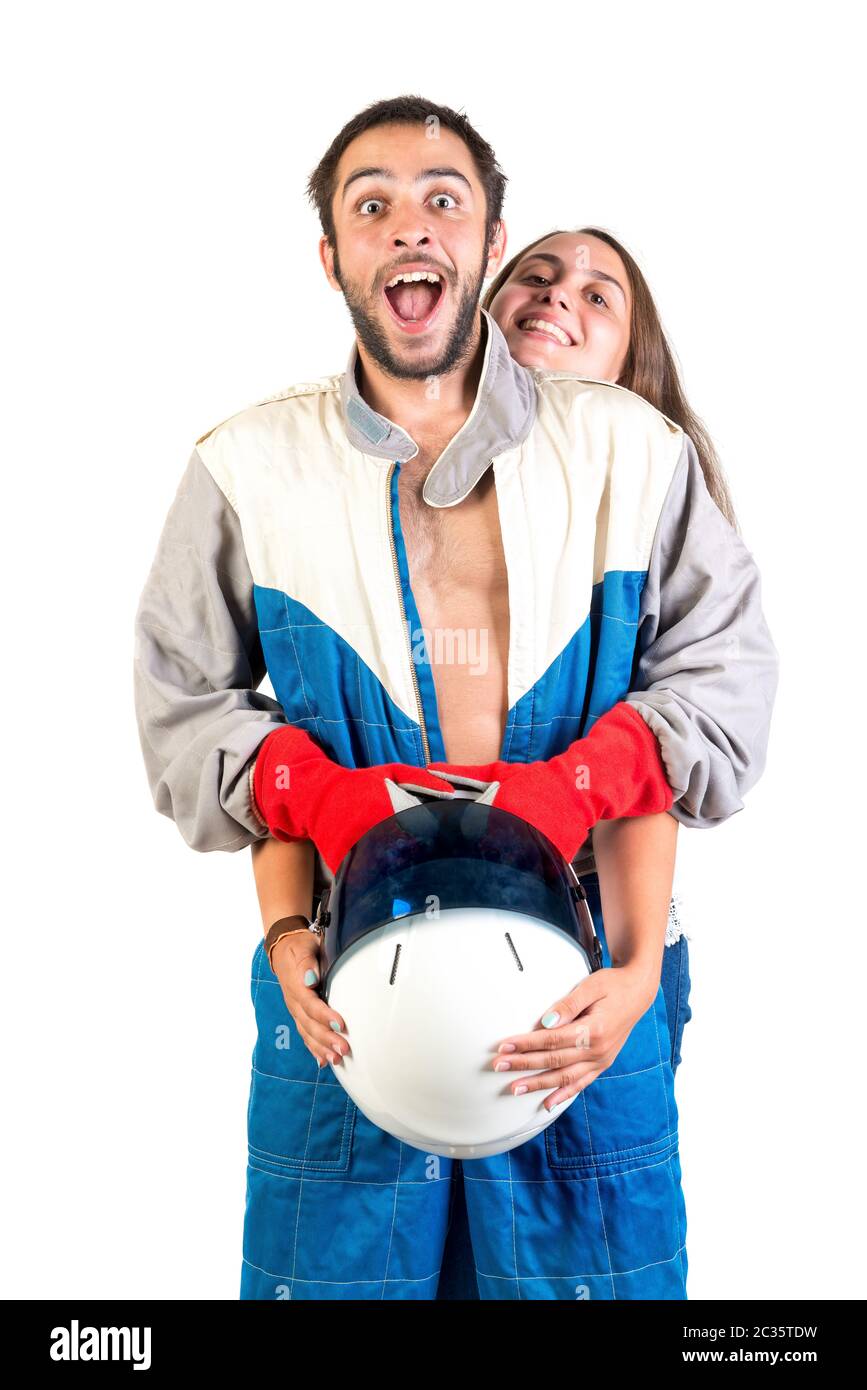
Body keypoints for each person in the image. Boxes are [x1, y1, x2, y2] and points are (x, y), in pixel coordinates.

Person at [134, 95, 779, 1299]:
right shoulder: (247, 467)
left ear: (482, 245)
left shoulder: (632, 451)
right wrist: (317, 807)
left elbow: (724, 682)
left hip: (581, 991)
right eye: (370, 205)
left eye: (444, 201)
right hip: (343, 987)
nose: (409, 227)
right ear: (332, 255)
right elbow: (183, 703)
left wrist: (570, 794)